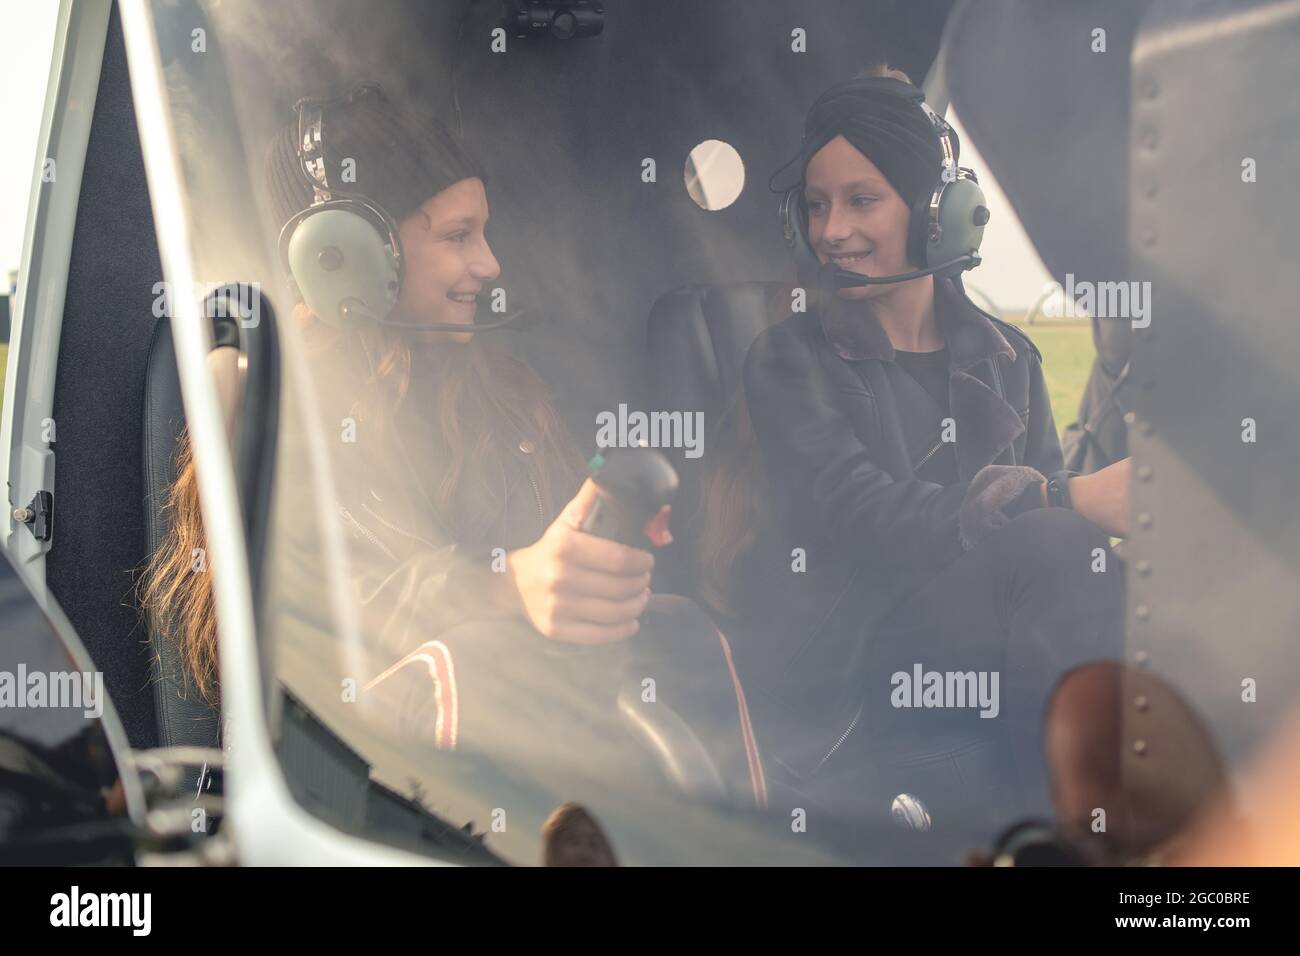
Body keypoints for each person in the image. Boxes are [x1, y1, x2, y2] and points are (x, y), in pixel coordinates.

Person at [138, 86, 765, 813]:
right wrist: (507, 588)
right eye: (459, 237)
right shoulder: (269, 392)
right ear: (350, 255)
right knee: (483, 664)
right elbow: (303, 616)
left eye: (484, 234)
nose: (491, 264)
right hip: (360, 782)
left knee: (681, 635)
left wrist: (603, 555)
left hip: (543, 761)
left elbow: (556, 572)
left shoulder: (505, 389)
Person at [697, 68, 1130, 828]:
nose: (834, 231)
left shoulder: (1011, 357)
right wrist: (1061, 498)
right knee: (1062, 541)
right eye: (819, 205)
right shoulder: (787, 359)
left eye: (863, 200)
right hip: (857, 656)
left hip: (976, 647)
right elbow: (865, 514)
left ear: (939, 216)